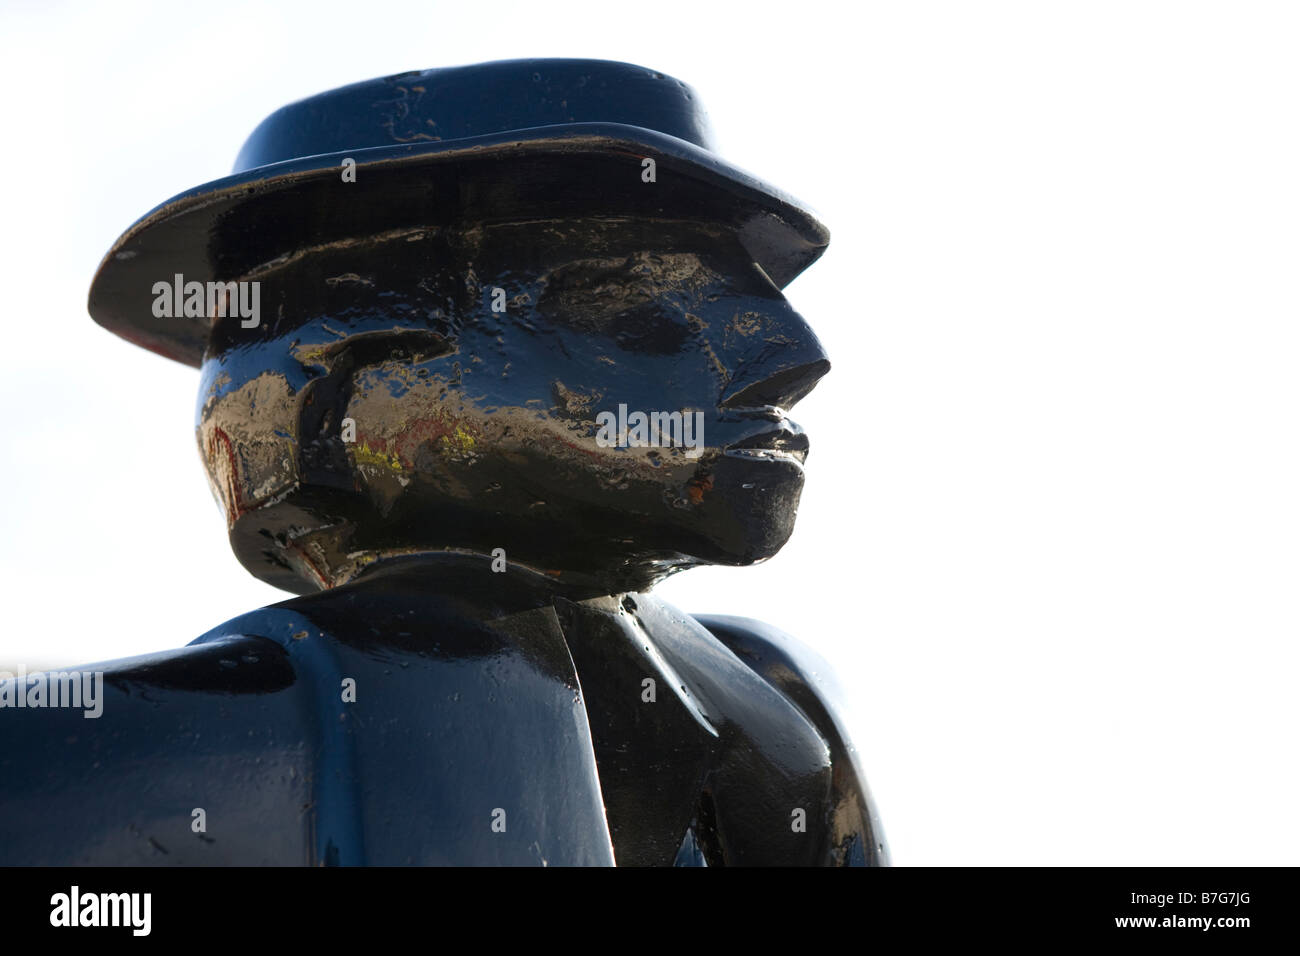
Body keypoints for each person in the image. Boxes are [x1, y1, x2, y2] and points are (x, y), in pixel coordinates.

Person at [0, 59, 887, 866]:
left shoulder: (778, 705)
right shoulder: (119, 762)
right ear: (355, 387)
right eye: (634, 308)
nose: (797, 353)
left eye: (758, 300)